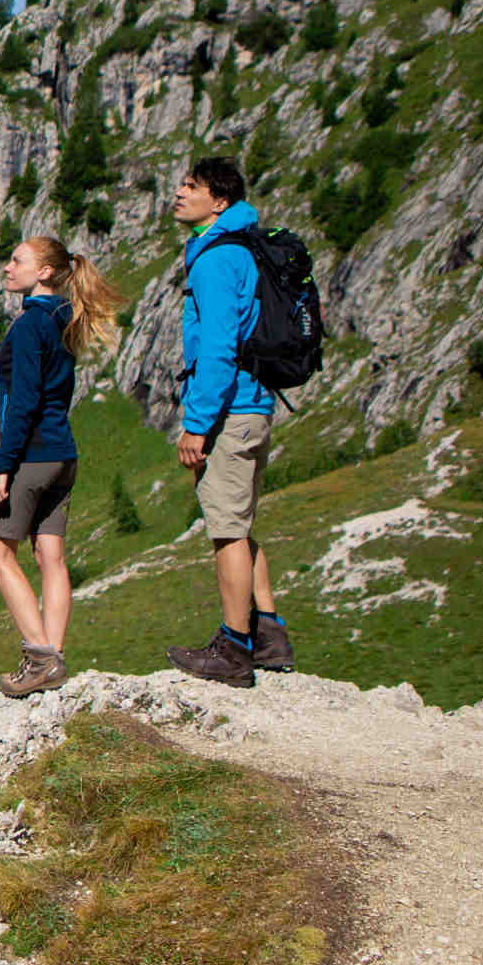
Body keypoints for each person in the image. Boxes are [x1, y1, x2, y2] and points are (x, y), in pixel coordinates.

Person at [165, 156, 292, 686]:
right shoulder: (243, 249)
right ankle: (268, 636)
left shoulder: (217, 259)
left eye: (190, 187)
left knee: (226, 533)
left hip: (230, 411)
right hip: (254, 404)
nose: (178, 193)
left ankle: (234, 650)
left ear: (218, 202)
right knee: (240, 526)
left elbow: (217, 346)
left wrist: (197, 424)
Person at [0, 234, 121, 698]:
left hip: (32, 456)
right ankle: (54, 659)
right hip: (64, 455)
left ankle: (39, 658)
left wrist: (3, 468)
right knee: (51, 557)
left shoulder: (27, 327)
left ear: (43, 272)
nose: (7, 267)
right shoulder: (66, 320)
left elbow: (22, 403)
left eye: (17, 260)